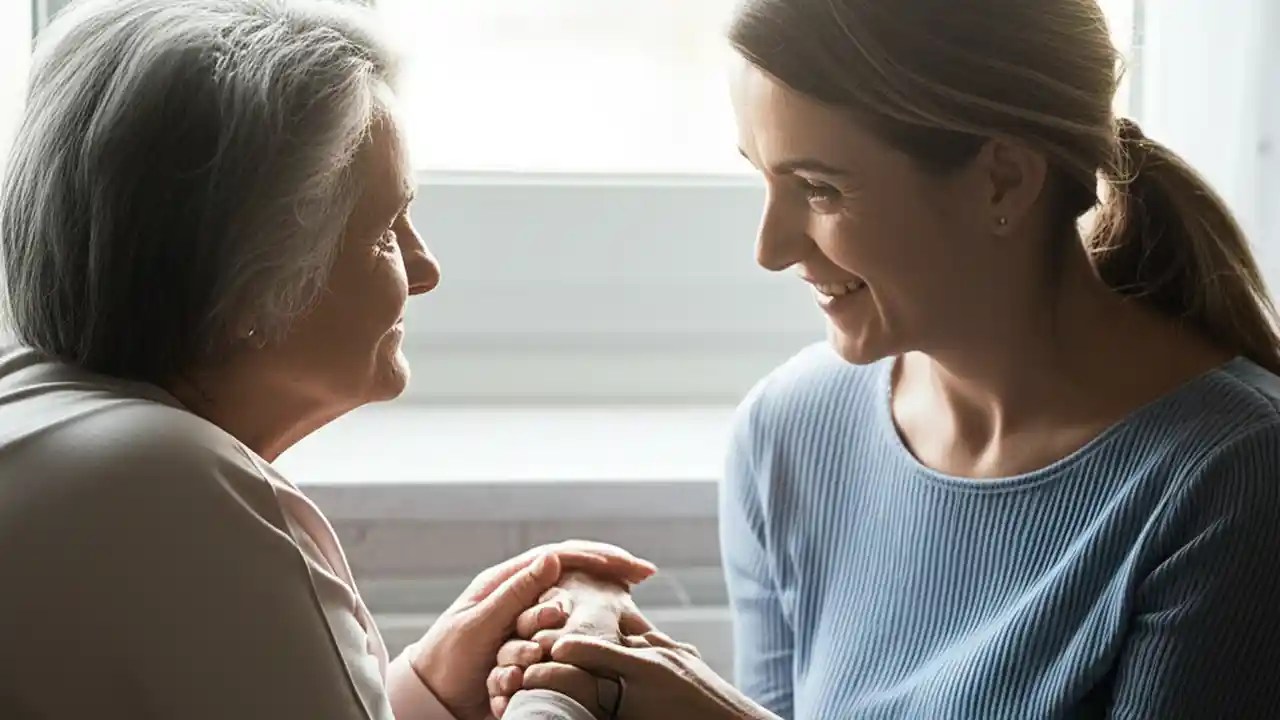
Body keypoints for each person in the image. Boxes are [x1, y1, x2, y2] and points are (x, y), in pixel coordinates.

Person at [486, 0, 1280, 718]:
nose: (770, 249)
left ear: (1002, 180)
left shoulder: (1234, 479)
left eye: (821, 190)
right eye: (763, 178)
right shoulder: (787, 432)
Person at [0, 1, 651, 718]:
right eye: (383, 234)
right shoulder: (178, 487)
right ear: (246, 284)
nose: (425, 268)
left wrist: (429, 685)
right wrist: (572, 678)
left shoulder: (45, 421)